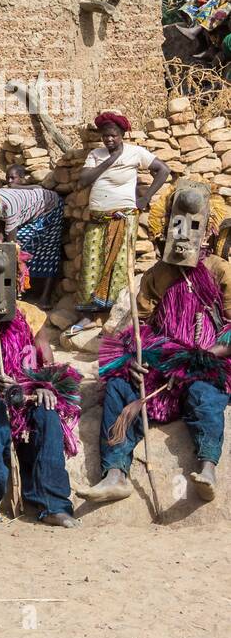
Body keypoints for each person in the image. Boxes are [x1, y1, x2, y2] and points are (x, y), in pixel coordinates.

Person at [78, 184, 231, 504]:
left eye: (194, 225)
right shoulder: (157, 274)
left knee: (206, 394)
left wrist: (205, 356)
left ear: (206, 228)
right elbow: (142, 325)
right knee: (120, 388)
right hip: (162, 362)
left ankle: (207, 466)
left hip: (207, 360)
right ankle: (115, 473)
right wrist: (135, 357)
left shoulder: (220, 270)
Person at [0, 244, 81, 527]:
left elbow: (48, 365)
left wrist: (41, 386)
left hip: (29, 394)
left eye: (7, 283)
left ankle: (52, 504)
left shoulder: (31, 316)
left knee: (47, 415)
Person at [68, 111, 170, 335]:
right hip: (98, 218)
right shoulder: (96, 154)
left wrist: (145, 198)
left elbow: (163, 170)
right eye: (105, 136)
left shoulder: (136, 152)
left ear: (122, 134)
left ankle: (115, 314)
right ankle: (88, 316)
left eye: (113, 135)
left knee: (120, 267)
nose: (109, 139)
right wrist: (112, 159)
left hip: (124, 217)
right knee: (90, 265)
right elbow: (84, 180)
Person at [0, 164, 65, 305]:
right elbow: (1, 229)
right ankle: (20, 291)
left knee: (47, 251)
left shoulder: (10, 208)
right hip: (32, 211)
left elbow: (12, 246)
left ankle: (43, 298)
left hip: (51, 208)